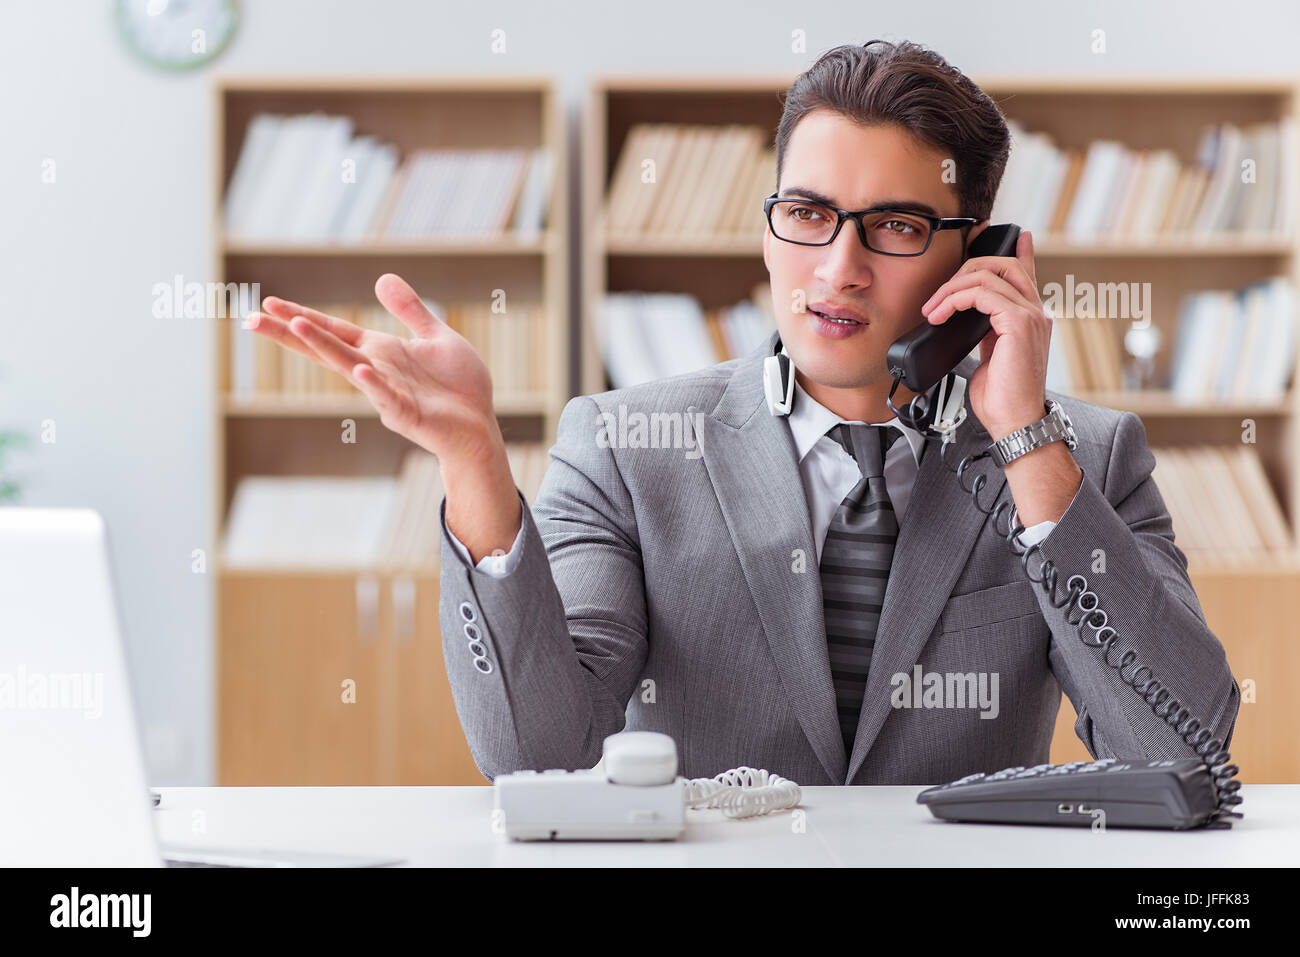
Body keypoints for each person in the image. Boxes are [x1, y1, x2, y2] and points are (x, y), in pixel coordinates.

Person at [245, 40, 1239, 786]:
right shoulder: (626, 447)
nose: (836, 269)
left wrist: (1024, 442)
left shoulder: (1086, 458)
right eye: (806, 215)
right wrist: (472, 463)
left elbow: (1181, 754)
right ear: (768, 230)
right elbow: (536, 751)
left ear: (977, 257)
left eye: (894, 226)